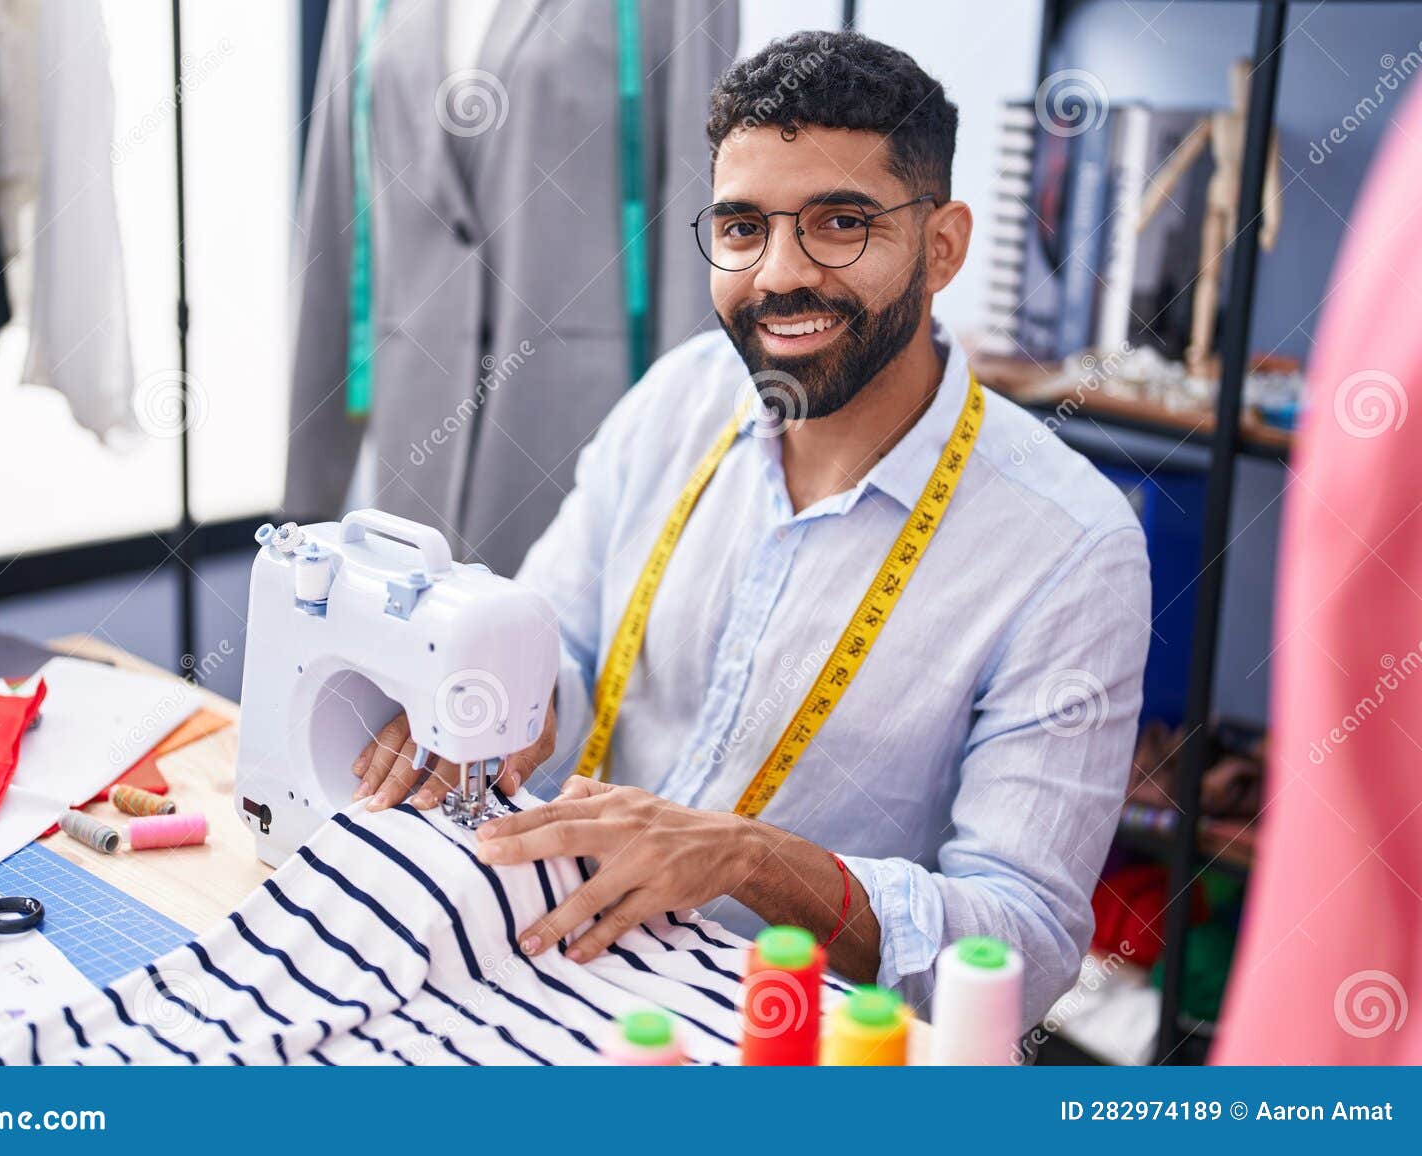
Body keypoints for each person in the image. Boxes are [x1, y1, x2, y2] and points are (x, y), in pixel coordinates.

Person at [352, 30, 1151, 1025]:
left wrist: (748, 857)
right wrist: (493, 709)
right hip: (575, 973)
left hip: (817, 1046)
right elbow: (560, 643)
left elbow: (1021, 947)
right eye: (742, 228)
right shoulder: (678, 396)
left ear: (941, 246)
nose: (778, 274)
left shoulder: (1070, 546)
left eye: (840, 222)